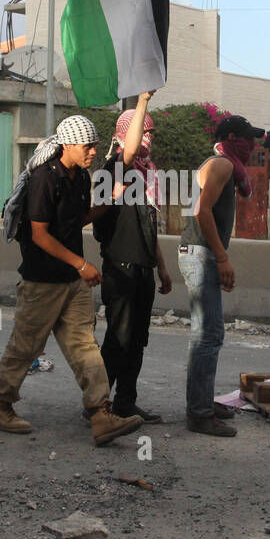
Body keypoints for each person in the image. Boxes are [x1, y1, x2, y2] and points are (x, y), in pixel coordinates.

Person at [0, 115, 143, 446]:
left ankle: (101, 415)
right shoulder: (44, 179)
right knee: (25, 347)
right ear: (68, 145)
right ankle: (0, 406)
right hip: (42, 281)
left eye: (95, 146)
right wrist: (81, 263)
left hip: (71, 282)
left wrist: (111, 199)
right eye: (87, 146)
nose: (92, 152)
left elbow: (79, 217)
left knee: (84, 347)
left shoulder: (79, 177)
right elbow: (39, 235)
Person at [178, 112, 268, 437]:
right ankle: (199, 413)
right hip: (201, 255)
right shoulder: (222, 164)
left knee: (209, 334)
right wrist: (221, 257)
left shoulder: (226, 165)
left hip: (200, 254)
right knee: (207, 336)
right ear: (232, 140)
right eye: (248, 139)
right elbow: (202, 212)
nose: (252, 145)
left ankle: (202, 402)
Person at [92, 92, 172, 423]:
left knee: (136, 340)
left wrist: (162, 269)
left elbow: (148, 228)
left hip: (142, 269)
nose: (149, 137)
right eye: (145, 131)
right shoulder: (114, 169)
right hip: (121, 269)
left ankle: (125, 402)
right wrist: (142, 102)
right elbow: (129, 149)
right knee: (117, 340)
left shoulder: (145, 175)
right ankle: (96, 404)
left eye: (151, 132)